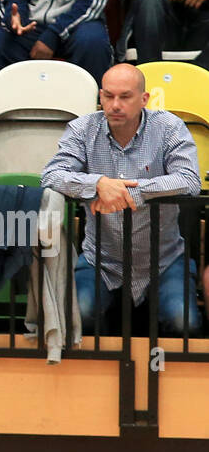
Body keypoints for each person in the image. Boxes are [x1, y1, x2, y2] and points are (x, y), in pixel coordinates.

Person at [41, 63, 203, 335]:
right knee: (80, 316)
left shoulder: (169, 127)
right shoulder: (82, 129)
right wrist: (98, 184)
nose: (115, 104)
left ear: (144, 99)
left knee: (183, 322)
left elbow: (189, 180)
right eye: (108, 96)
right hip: (101, 259)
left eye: (125, 96)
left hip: (164, 259)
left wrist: (130, 193)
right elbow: (50, 175)